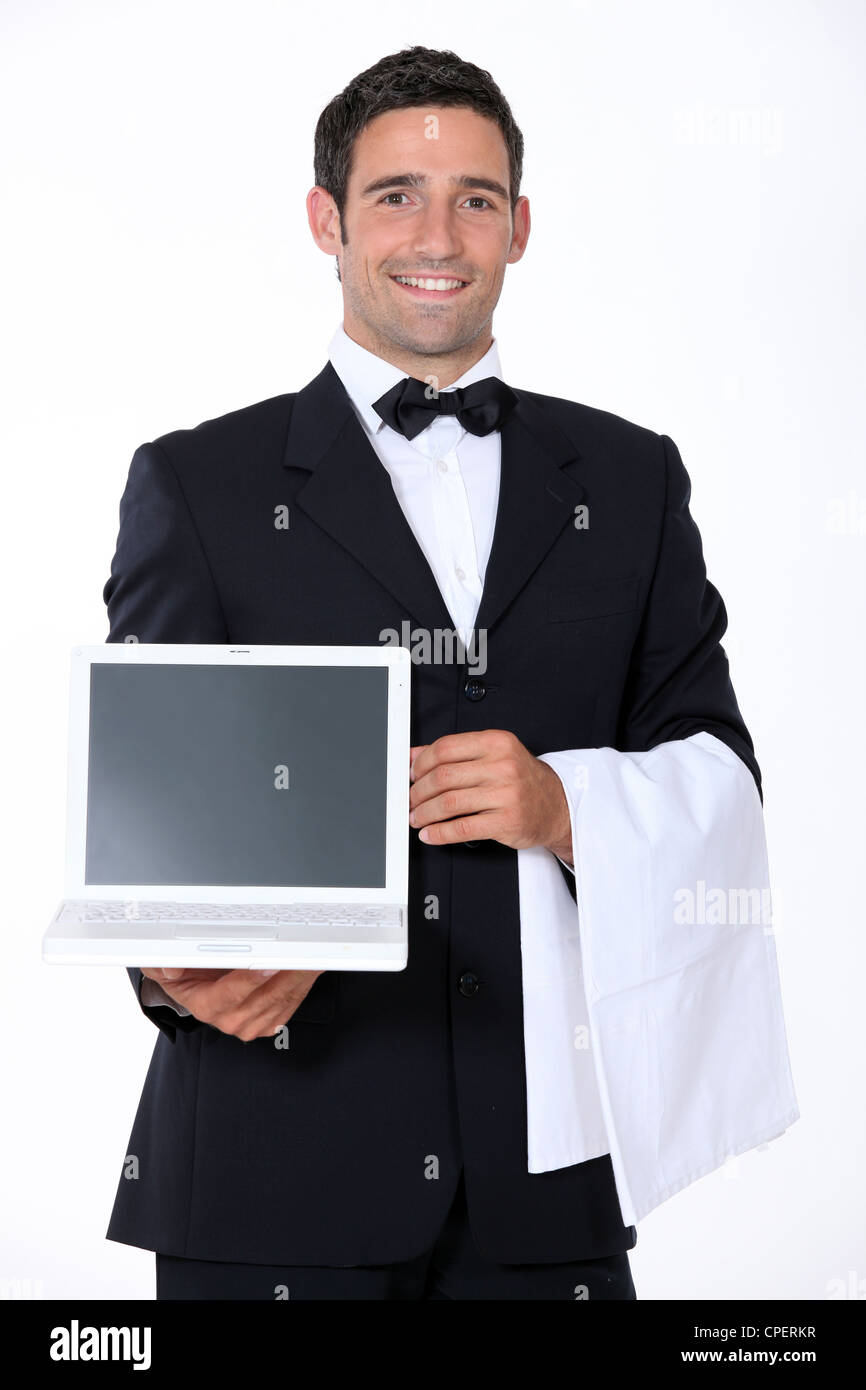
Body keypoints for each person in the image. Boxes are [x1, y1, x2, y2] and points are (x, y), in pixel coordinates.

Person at [102, 45, 796, 1301]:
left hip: (542, 1185)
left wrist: (565, 803)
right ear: (326, 220)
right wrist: (180, 967)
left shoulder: (630, 481)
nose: (437, 236)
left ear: (518, 228)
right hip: (266, 1173)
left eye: (474, 198)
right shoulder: (197, 485)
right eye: (394, 196)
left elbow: (719, 773)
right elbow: (152, 807)